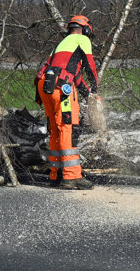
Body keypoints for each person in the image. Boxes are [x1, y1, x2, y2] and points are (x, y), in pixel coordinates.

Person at [34, 15, 99, 190]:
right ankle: (72, 176)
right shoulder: (82, 39)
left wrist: (87, 95)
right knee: (68, 129)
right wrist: (95, 90)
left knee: (56, 129)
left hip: (45, 86)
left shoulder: (61, 45)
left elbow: (75, 76)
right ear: (85, 29)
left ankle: (56, 174)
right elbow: (90, 66)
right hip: (61, 87)